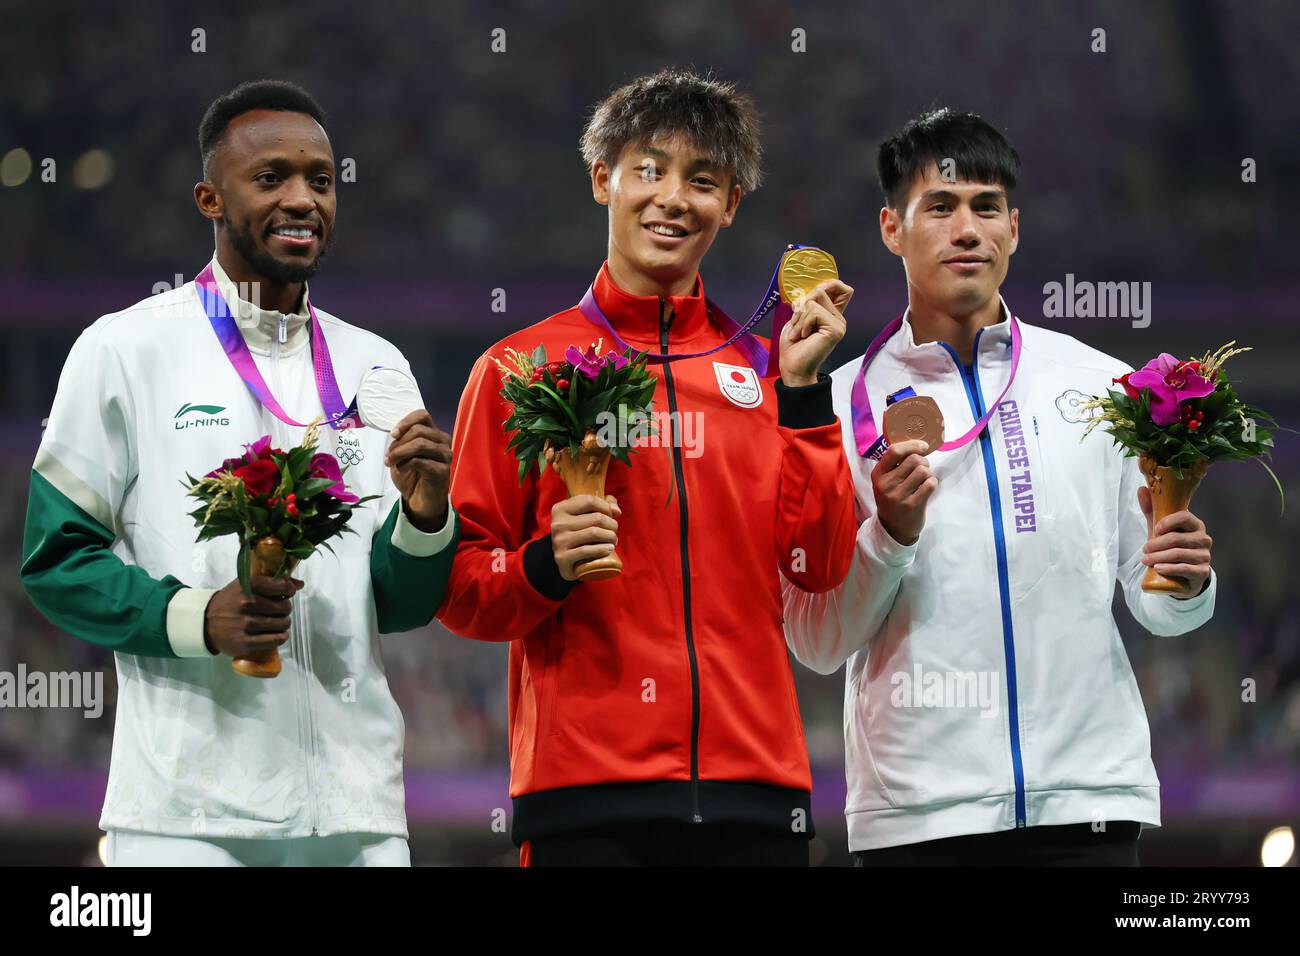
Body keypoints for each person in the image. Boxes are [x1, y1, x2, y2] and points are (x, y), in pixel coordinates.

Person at [20, 80, 458, 867]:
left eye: (320, 180)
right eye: (271, 179)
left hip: (359, 815)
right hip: (185, 818)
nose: (302, 199)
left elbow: (396, 604)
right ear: (210, 199)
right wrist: (196, 618)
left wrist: (426, 520)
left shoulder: (377, 365)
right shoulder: (124, 350)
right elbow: (56, 562)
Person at [436, 69, 857, 866]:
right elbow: (459, 588)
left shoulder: (769, 373)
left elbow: (821, 562)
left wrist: (803, 395)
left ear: (730, 204)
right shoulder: (518, 368)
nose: (673, 198)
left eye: (703, 180)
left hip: (757, 797)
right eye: (649, 170)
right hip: (584, 802)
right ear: (603, 179)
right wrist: (542, 566)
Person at [783, 108, 1216, 866]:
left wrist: (1183, 581)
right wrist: (889, 535)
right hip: (920, 821)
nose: (967, 230)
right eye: (940, 208)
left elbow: (1158, 609)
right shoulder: (839, 409)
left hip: (1089, 804)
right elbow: (816, 641)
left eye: (986, 208)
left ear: (1014, 227)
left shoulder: (1099, 384)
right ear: (892, 227)